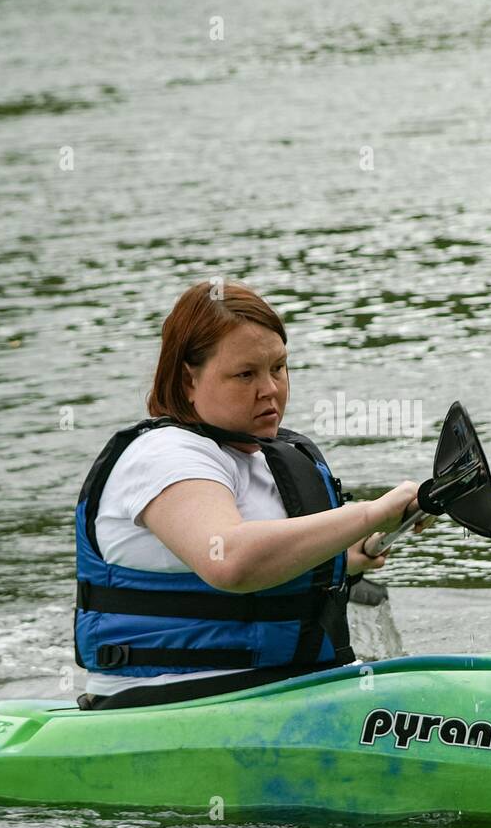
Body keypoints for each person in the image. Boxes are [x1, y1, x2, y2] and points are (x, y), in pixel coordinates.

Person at [73, 280, 433, 710]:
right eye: (246, 374)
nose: (271, 390)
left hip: (281, 694)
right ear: (189, 380)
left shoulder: (266, 458)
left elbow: (273, 561)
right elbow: (231, 560)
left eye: (278, 368)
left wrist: (346, 552)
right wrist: (368, 514)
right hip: (168, 704)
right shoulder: (163, 455)